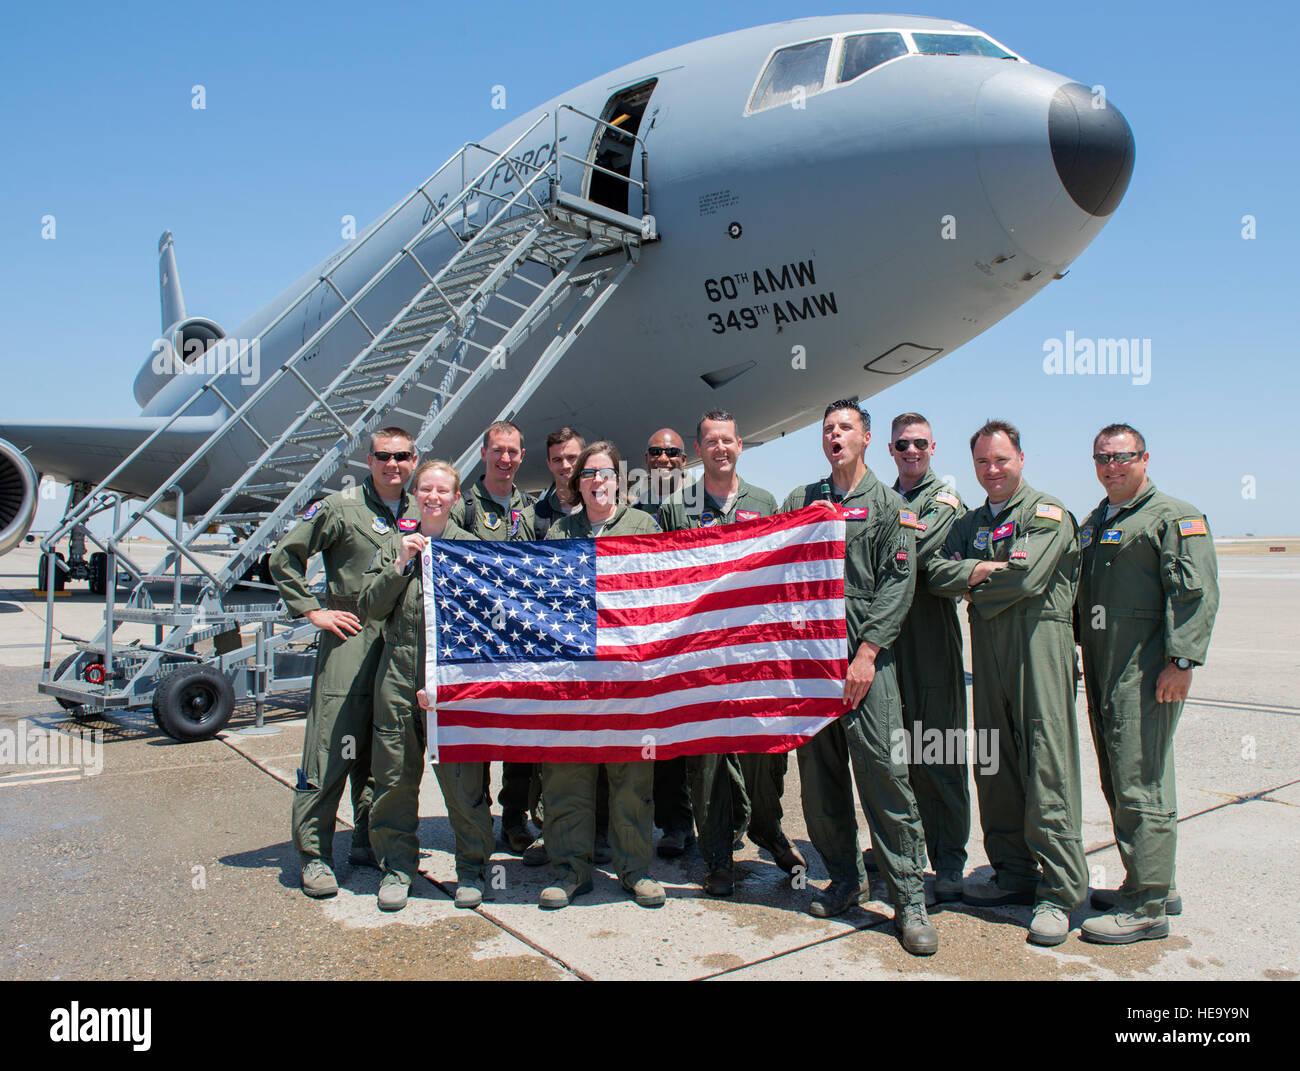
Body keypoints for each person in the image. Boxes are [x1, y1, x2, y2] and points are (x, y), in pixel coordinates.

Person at [779, 399, 938, 956]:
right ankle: (845, 879)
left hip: (867, 658)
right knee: (820, 779)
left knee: (884, 774)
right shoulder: (802, 501)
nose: (835, 436)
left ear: (867, 438)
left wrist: (867, 653)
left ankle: (909, 898)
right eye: (827, 429)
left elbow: (899, 587)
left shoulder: (890, 506)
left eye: (845, 428)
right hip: (812, 662)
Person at [927, 420, 1089, 947]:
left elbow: (1027, 578)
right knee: (994, 762)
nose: (992, 470)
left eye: (1001, 460)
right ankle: (1014, 874)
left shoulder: (1047, 513)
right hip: (990, 651)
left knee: (1046, 763)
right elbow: (932, 572)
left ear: (1021, 458)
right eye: (982, 462)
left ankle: (1061, 894)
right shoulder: (970, 521)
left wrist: (970, 577)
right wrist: (979, 570)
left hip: (1038, 647)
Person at [1076, 424, 1219, 944]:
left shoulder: (1174, 517)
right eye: (1102, 458)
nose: (1112, 466)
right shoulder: (1099, 520)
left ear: (1144, 458)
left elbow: (1194, 593)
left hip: (1145, 670)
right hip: (1105, 667)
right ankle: (1153, 880)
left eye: (1122, 456)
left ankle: (1147, 907)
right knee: (1121, 777)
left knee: (1142, 781)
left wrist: (1181, 662)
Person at [658, 409, 805, 895]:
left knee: (766, 750)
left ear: (740, 446)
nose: (720, 449)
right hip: (701, 653)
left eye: (728, 441)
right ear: (698, 451)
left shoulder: (765, 502)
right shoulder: (678, 507)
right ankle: (718, 854)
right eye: (711, 442)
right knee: (710, 759)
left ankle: (766, 826)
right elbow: (660, 578)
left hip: (757, 651)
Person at [270, 427, 420, 898]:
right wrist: (312, 610)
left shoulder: (421, 510)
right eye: (383, 457)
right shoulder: (340, 507)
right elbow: (284, 556)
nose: (392, 465)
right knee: (332, 747)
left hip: (399, 645)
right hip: (350, 636)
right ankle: (314, 854)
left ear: (413, 460)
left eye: (401, 457)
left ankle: (367, 839)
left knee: (382, 750)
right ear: (369, 459)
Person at [540, 440, 665, 909]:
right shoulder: (558, 532)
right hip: (574, 678)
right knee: (567, 776)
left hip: (628, 678)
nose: (597, 481)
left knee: (632, 779)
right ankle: (571, 869)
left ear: (619, 478)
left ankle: (635, 870)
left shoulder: (642, 527)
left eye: (605, 473)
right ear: (579, 483)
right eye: (589, 474)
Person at [359, 461, 485, 910]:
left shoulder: (472, 549)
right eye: (425, 489)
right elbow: (371, 607)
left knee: (462, 781)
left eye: (443, 490)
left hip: (451, 682)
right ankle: (396, 869)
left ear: (455, 499)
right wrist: (400, 564)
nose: (433, 496)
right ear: (416, 494)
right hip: (398, 672)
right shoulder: (395, 544)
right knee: (393, 777)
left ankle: (472, 868)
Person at [886, 413, 970, 902]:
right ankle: (906, 851)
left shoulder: (944, 500)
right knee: (896, 754)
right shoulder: (883, 498)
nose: (911, 451)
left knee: (938, 753)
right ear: (891, 450)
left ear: (933, 447)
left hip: (931, 643)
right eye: (903, 444)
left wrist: (872, 549)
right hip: (890, 640)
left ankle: (950, 862)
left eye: (919, 443)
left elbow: (909, 553)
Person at [450, 420, 538, 854]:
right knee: (478, 736)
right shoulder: (462, 507)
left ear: (522, 456)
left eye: (513, 452)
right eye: (498, 450)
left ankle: (515, 817)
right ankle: (476, 816)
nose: (505, 459)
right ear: (484, 453)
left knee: (519, 737)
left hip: (520, 645)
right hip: (474, 642)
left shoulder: (531, 511)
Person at [635, 427, 695, 858]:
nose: (664, 459)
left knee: (688, 733)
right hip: (644, 633)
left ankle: (687, 822)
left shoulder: (698, 500)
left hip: (689, 632)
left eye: (672, 452)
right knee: (648, 731)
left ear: (684, 457)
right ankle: (659, 822)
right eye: (656, 451)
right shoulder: (632, 502)